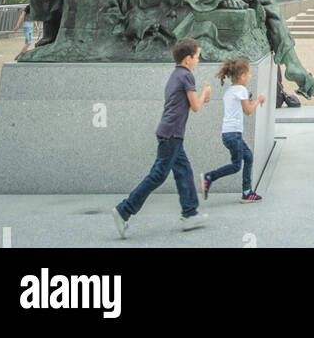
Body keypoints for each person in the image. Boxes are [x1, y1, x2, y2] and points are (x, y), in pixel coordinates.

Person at [113, 37, 210, 237]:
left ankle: (190, 213)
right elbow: (196, 106)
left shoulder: (176, 74)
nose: (198, 61)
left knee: (183, 170)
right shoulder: (187, 76)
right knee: (158, 175)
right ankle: (124, 210)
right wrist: (205, 94)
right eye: (197, 57)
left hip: (169, 132)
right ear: (187, 59)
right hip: (172, 134)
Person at [201, 57, 266, 203]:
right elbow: (248, 111)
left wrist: (248, 101)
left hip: (228, 133)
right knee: (236, 165)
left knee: (248, 157)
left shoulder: (230, 90)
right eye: (249, 74)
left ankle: (247, 192)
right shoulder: (241, 90)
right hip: (234, 134)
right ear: (242, 76)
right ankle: (210, 177)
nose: (250, 77)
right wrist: (258, 100)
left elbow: (239, 108)